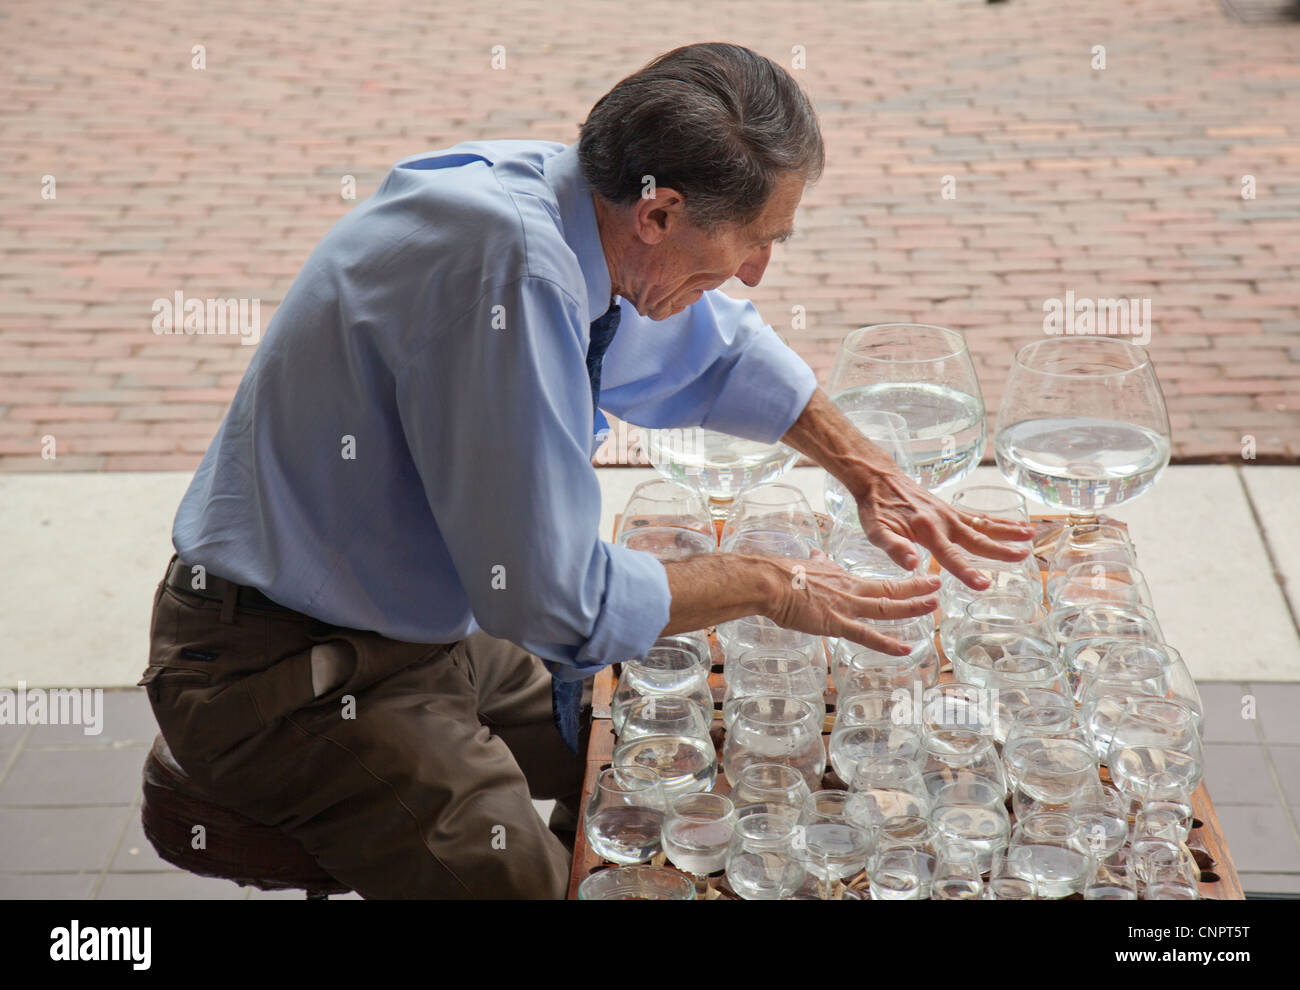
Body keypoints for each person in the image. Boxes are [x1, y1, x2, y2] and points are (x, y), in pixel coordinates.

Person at [138, 42, 1031, 899]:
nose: (755, 273)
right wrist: (770, 582)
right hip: (276, 669)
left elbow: (712, 353)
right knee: (535, 886)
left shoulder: (579, 211)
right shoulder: (510, 266)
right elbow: (556, 600)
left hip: (421, 624)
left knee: (676, 753)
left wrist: (868, 471)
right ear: (660, 213)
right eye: (757, 242)